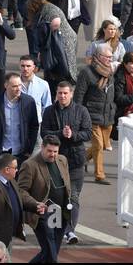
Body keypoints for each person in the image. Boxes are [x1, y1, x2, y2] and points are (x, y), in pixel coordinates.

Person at [41, 81, 92, 244]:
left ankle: (69, 231)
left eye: (65, 93)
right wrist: (60, 134)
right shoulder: (49, 111)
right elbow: (44, 133)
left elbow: (88, 133)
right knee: (55, 198)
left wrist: (73, 135)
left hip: (75, 162)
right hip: (55, 162)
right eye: (59, 93)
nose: (62, 96)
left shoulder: (81, 111)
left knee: (73, 199)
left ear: (71, 94)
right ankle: (54, 232)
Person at [15, 135, 71, 263]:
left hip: (60, 213)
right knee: (51, 254)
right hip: (42, 214)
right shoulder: (30, 165)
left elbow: (67, 183)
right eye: (49, 151)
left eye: (55, 151)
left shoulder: (62, 160)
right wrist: (35, 204)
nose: (53, 154)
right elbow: (21, 191)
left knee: (50, 252)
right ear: (42, 148)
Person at [0, 152, 39, 252]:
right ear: (7, 169)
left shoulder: (10, 180)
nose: (17, 170)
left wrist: (35, 206)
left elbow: (20, 197)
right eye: (15, 168)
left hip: (8, 235)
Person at [73, 43, 117, 184]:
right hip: (91, 114)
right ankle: (99, 175)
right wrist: (78, 115)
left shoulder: (110, 71)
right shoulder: (86, 72)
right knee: (98, 145)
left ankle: (82, 159)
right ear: (98, 57)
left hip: (107, 114)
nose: (110, 59)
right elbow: (79, 95)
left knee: (103, 145)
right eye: (107, 57)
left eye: (111, 57)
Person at [0, 71, 40, 161]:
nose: (18, 89)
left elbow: (34, 126)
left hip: (21, 153)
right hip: (1, 151)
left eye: (20, 85)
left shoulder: (29, 102)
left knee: (20, 175)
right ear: (6, 86)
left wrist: (29, 149)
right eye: (14, 86)